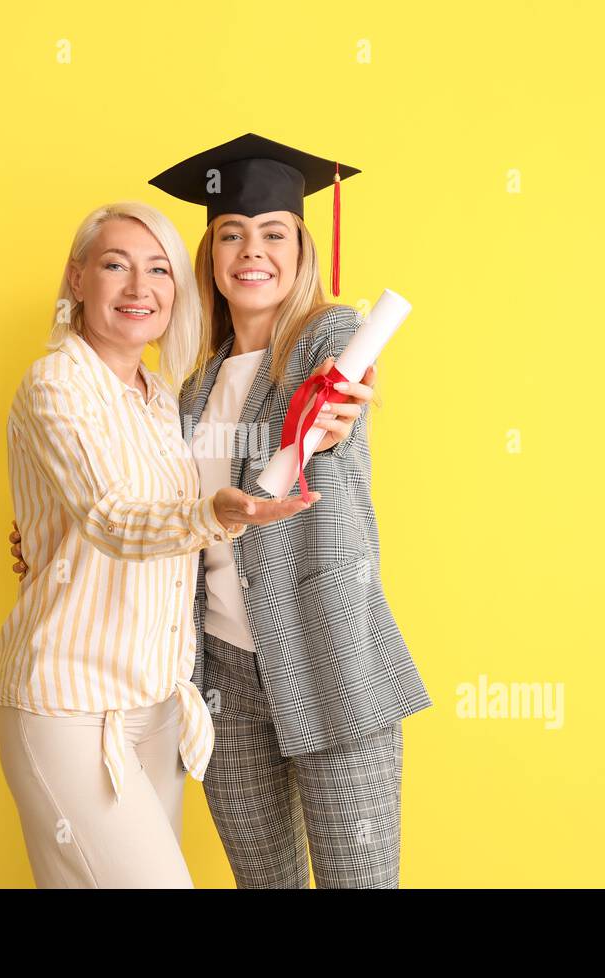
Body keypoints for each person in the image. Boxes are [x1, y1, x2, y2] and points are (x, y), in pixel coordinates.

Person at [0, 201, 324, 888]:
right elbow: (114, 517)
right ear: (77, 279)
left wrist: (331, 412)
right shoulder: (56, 382)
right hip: (71, 704)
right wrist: (214, 513)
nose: (140, 289)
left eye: (160, 271)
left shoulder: (160, 398)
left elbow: (236, 450)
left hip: (155, 705)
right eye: (116, 266)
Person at [150, 133, 433, 888]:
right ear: (211, 256)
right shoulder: (192, 390)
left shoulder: (329, 339)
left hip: (328, 656)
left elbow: (336, 409)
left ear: (301, 248)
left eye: (274, 233)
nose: (253, 250)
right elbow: (172, 518)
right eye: (232, 235)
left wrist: (334, 421)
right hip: (226, 679)